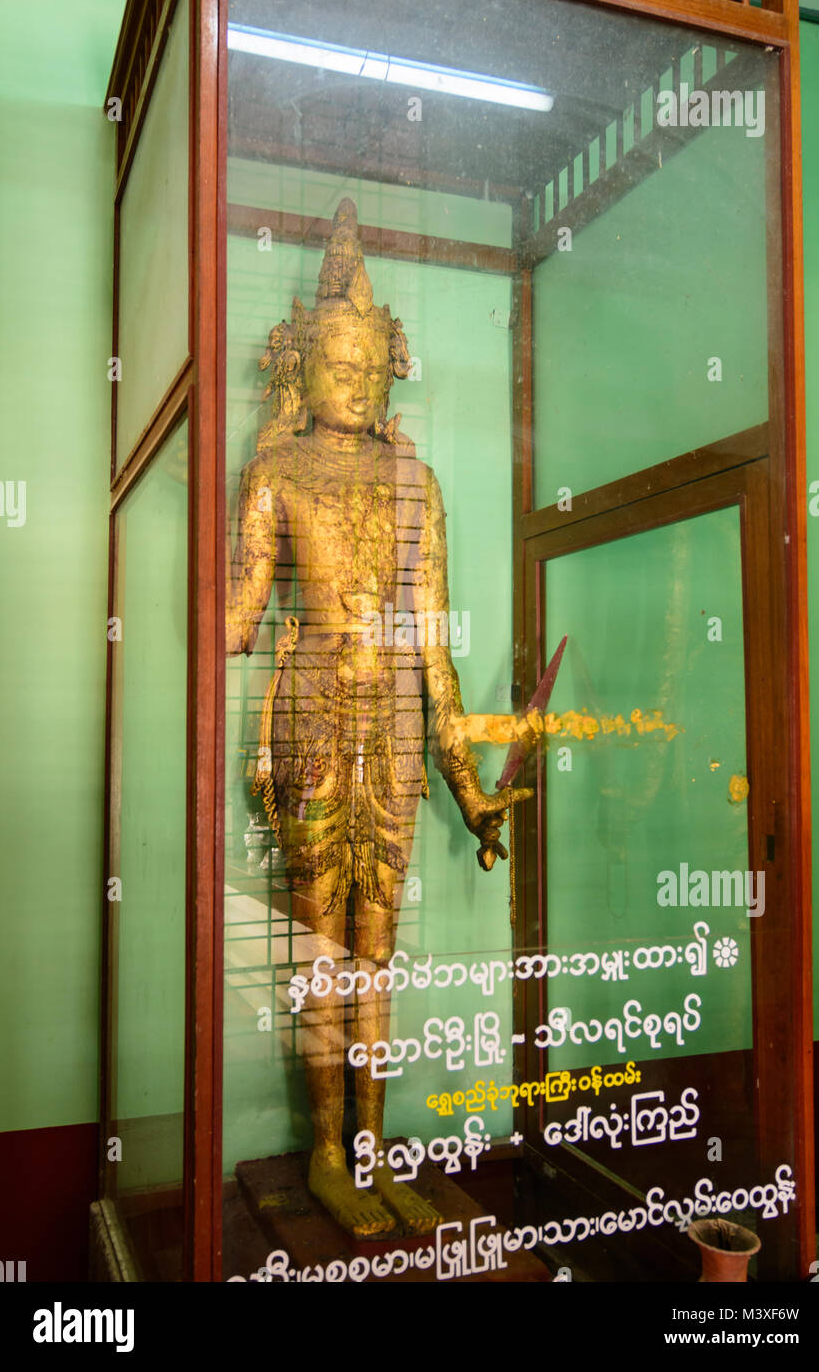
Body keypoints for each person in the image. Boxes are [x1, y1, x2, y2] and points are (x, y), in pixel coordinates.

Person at [226, 198, 528, 1236]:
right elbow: (233, 628)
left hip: (395, 725)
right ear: (302, 367)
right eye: (335, 367)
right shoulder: (276, 471)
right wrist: (254, 469)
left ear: (388, 370)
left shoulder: (415, 482)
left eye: (369, 370)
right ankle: (324, 1150)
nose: (354, 385)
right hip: (311, 724)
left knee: (377, 948)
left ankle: (372, 1144)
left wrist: (468, 785)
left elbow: (433, 650)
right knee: (322, 946)